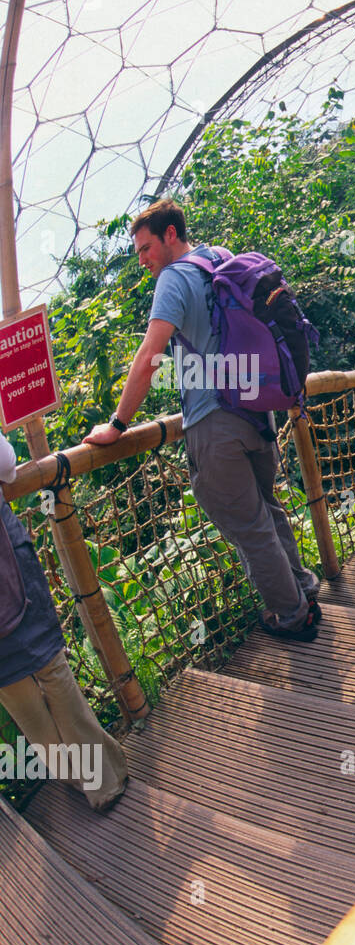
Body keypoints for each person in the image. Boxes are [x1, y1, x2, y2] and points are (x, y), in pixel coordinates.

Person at [85, 199, 322, 643]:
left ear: (170, 235)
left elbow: (150, 356)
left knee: (250, 529)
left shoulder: (173, 279)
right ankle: (304, 593)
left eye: (145, 248)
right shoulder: (219, 258)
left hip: (215, 423)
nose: (143, 260)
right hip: (258, 413)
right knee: (268, 511)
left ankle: (292, 616)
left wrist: (117, 424)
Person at [0, 430, 129, 814]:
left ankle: (75, 777)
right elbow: (7, 465)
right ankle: (102, 782)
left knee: (17, 696)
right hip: (10, 578)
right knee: (53, 675)